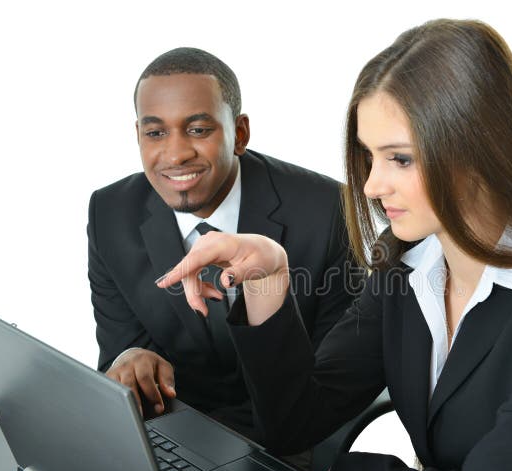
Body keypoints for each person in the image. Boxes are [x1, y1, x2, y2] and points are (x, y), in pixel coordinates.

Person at [158, 20, 512, 471]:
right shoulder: (408, 264)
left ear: (480, 149)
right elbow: (296, 424)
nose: (371, 185)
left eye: (400, 159)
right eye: (369, 157)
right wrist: (269, 280)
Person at [88, 47, 360, 439]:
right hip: (174, 435)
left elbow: (334, 381)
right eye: (155, 133)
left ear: (240, 134)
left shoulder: (328, 210)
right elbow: (119, 356)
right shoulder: (110, 213)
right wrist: (131, 361)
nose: (176, 154)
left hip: (289, 442)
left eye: (199, 130)